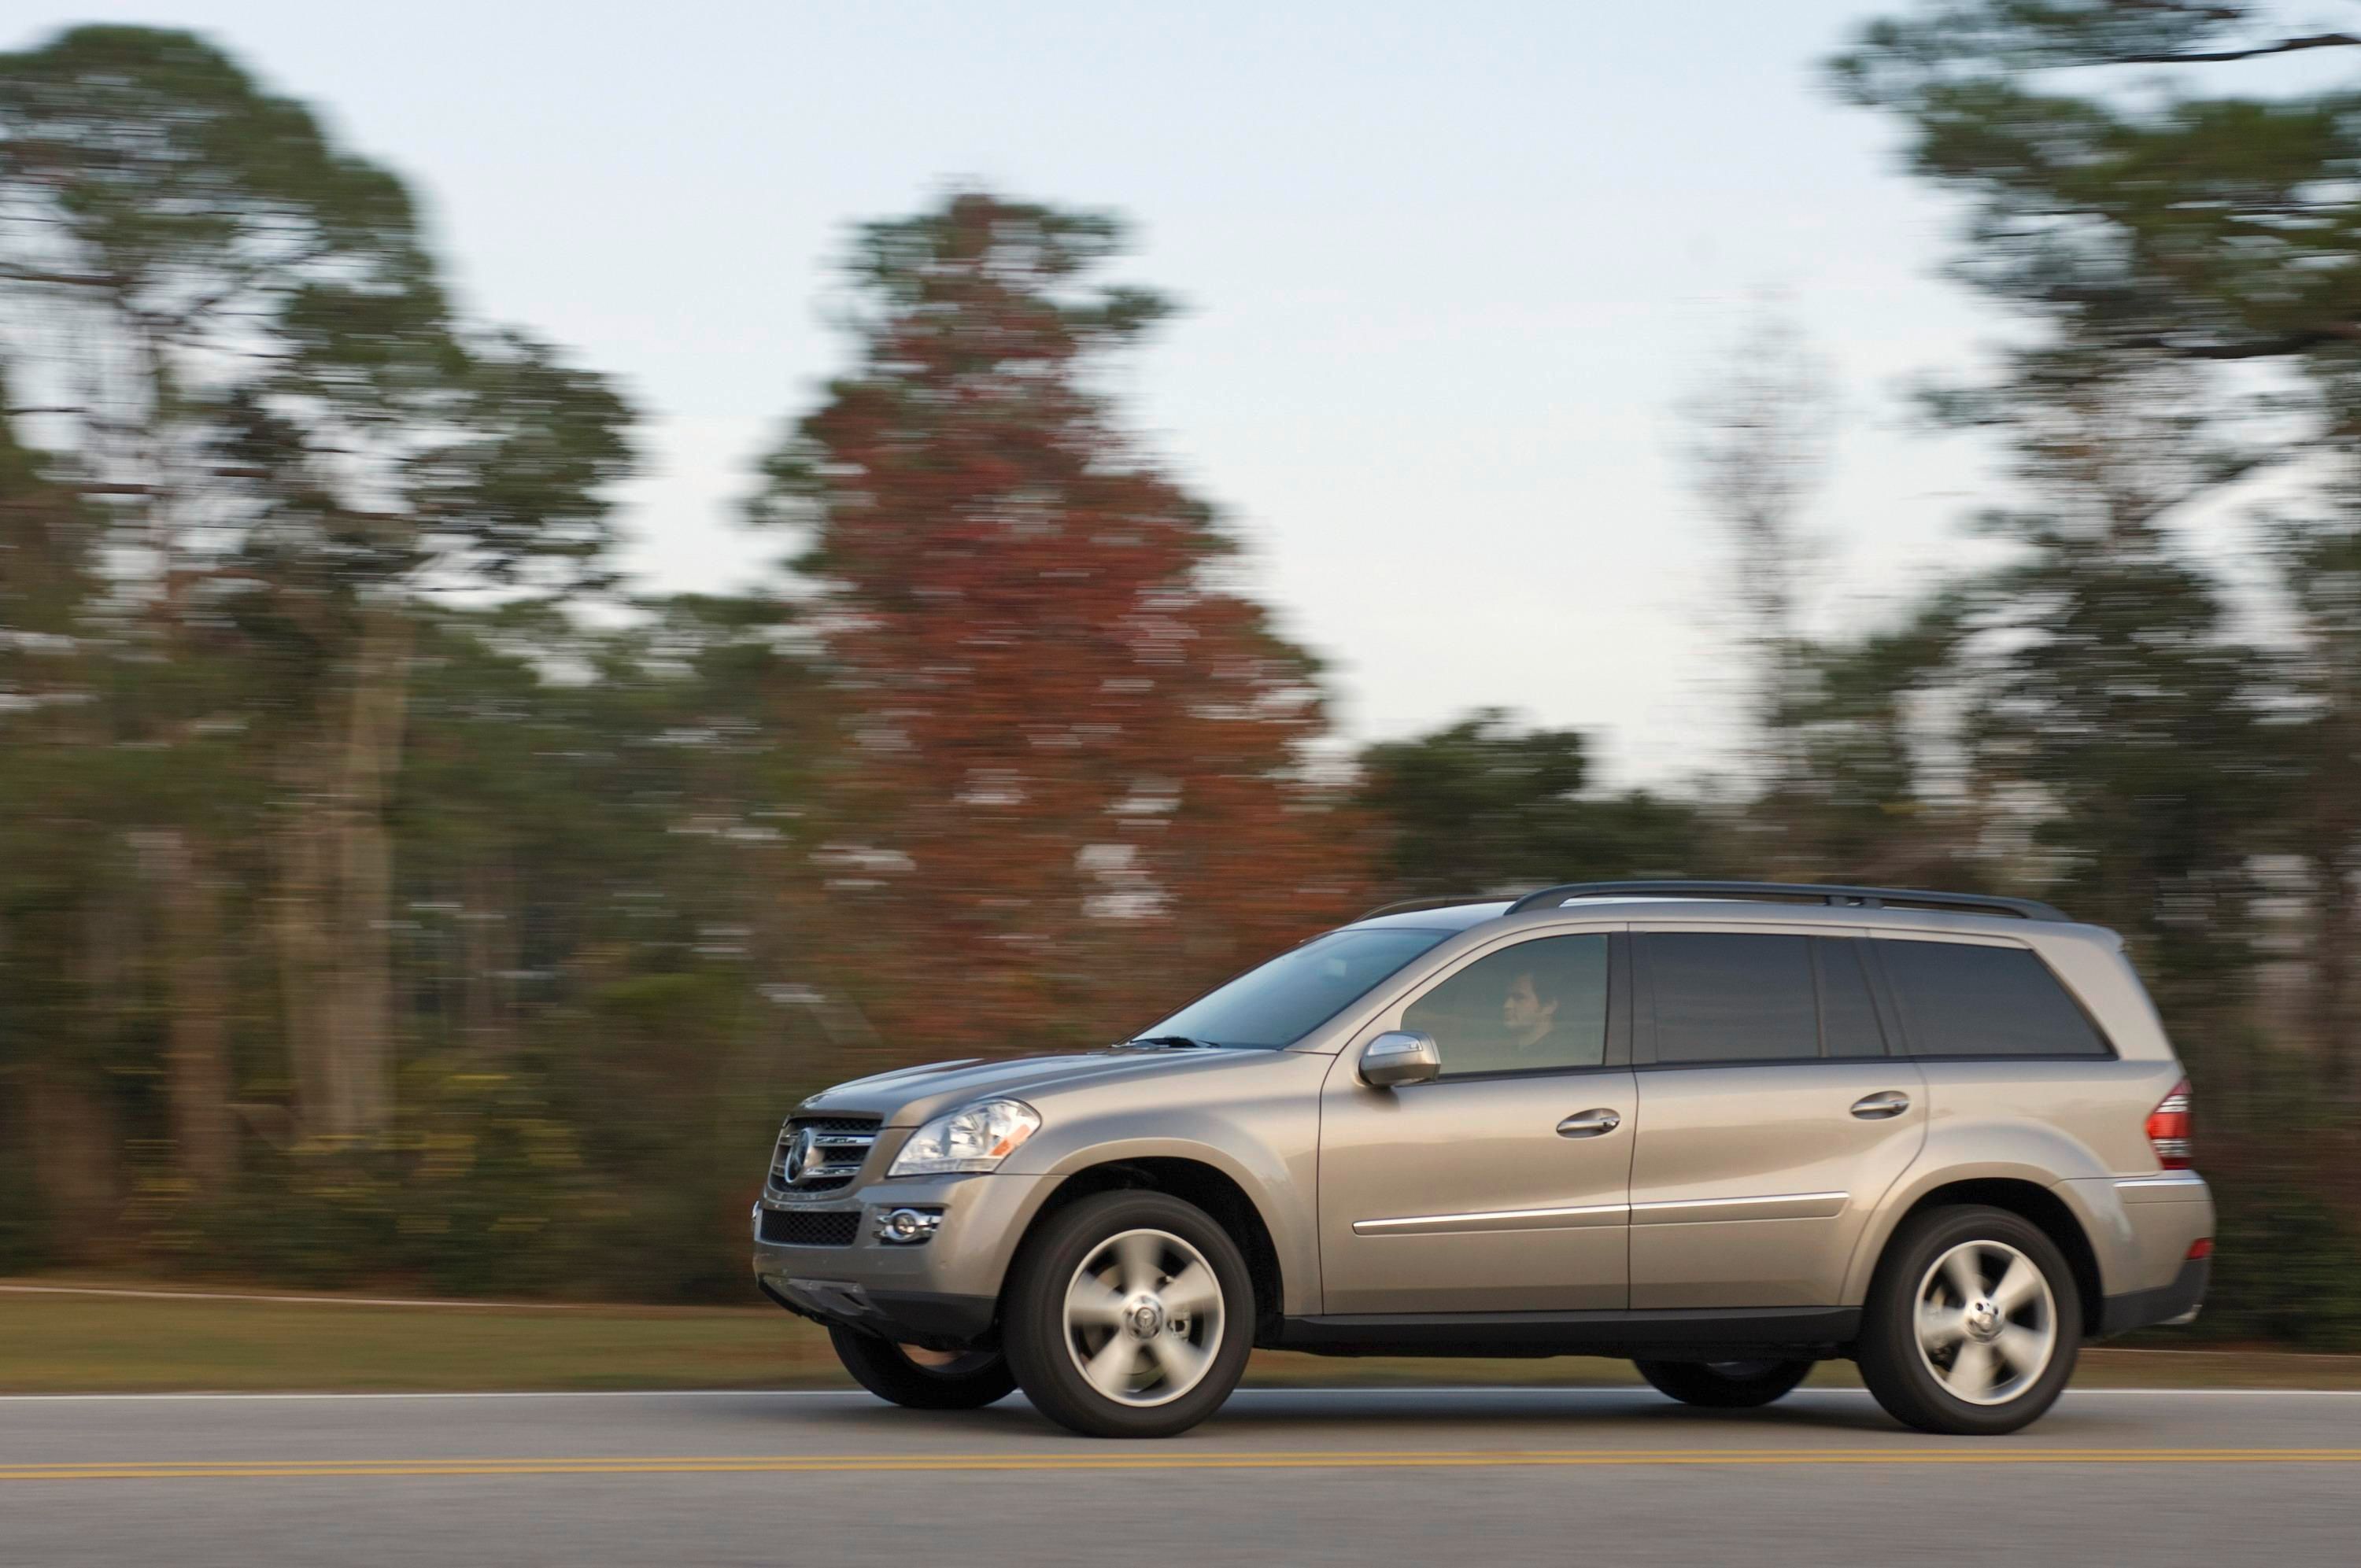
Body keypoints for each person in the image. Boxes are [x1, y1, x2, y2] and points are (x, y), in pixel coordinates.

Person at [1500, 967, 1560, 1057]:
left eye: (1519, 997)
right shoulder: (1508, 1052)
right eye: (1506, 998)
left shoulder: (1557, 1056)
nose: (1507, 1006)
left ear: (1549, 1006)